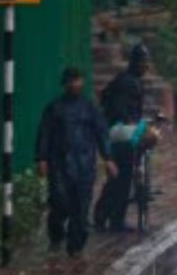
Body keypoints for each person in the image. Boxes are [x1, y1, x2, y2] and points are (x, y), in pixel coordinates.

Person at [35, 68, 117, 257]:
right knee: (60, 202)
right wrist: (42, 158)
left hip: (84, 164)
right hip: (59, 164)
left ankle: (76, 247)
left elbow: (101, 133)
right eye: (71, 81)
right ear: (65, 84)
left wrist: (108, 158)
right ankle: (56, 235)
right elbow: (44, 134)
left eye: (78, 80)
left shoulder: (89, 108)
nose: (75, 85)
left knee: (81, 207)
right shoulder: (55, 108)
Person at [94, 43, 150, 231]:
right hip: (120, 136)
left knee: (120, 178)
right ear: (135, 62)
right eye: (143, 62)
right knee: (120, 178)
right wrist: (134, 127)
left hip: (121, 134)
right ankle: (109, 217)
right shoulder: (127, 82)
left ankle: (109, 217)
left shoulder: (129, 80)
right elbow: (121, 111)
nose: (146, 66)